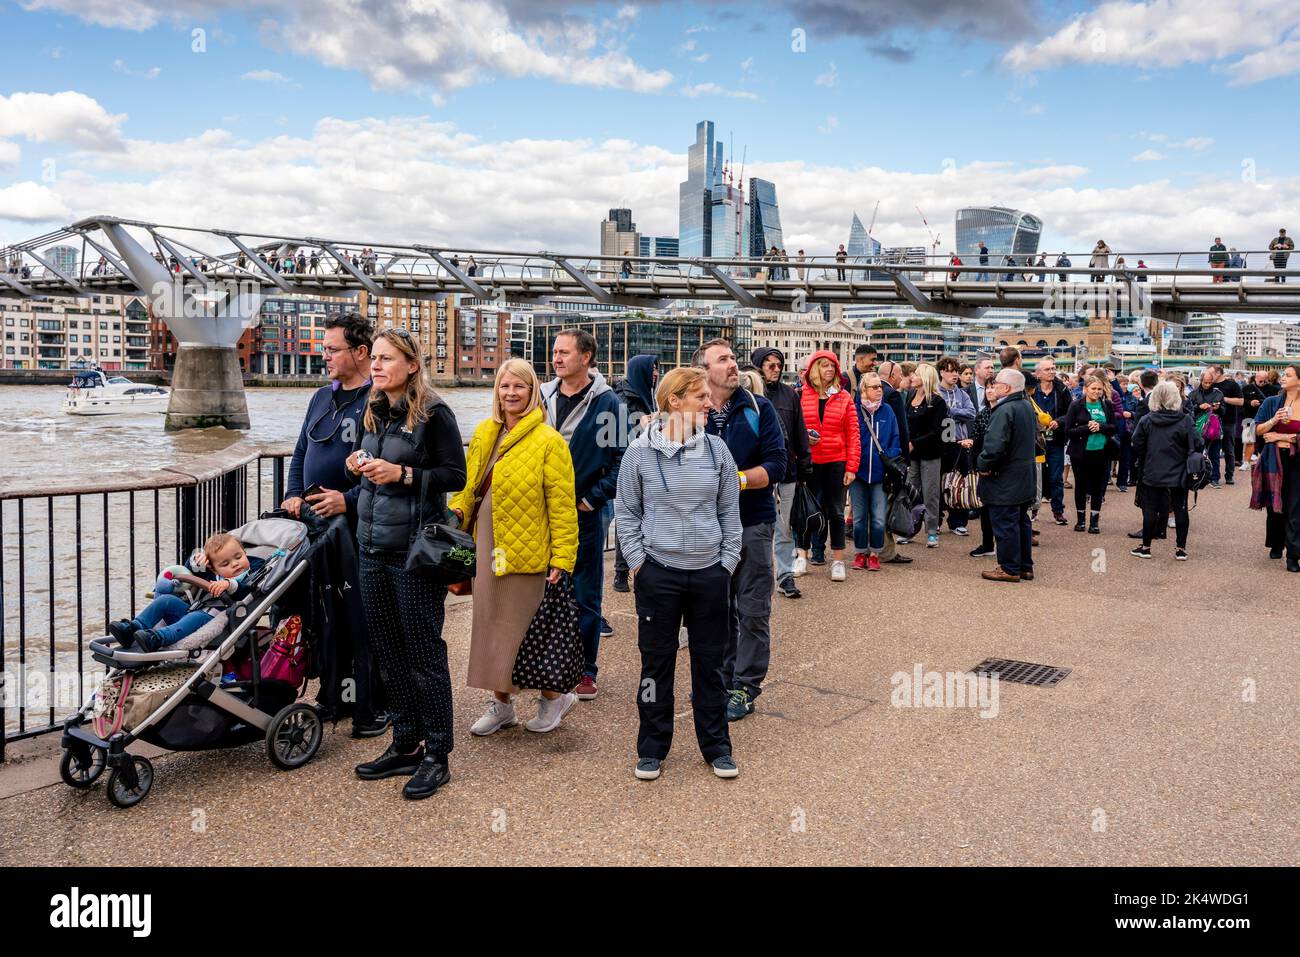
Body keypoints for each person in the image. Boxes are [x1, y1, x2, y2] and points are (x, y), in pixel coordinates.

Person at [347, 328, 467, 800]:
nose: (376, 366)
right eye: (373, 358)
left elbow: (453, 475)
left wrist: (404, 474)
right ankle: (405, 742)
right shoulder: (373, 409)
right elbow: (374, 470)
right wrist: (359, 463)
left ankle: (438, 754)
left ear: (412, 365)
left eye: (386, 359)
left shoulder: (435, 414)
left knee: (423, 654)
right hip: (372, 546)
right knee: (388, 652)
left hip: (414, 552)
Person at [616, 367, 742, 781]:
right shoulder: (638, 453)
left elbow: (729, 513)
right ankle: (652, 748)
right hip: (659, 573)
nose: (710, 403)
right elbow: (627, 512)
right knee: (655, 664)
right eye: (701, 397)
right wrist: (638, 563)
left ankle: (717, 746)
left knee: (710, 664)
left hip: (709, 573)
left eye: (709, 396)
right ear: (675, 402)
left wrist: (726, 563)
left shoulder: (718, 451)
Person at [449, 359, 580, 738]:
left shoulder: (549, 441)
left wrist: (562, 557)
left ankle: (554, 697)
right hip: (488, 546)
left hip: (527, 549)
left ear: (533, 391)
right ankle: (502, 705)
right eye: (505, 386)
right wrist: (455, 511)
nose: (510, 393)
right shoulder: (484, 433)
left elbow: (562, 504)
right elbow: (469, 487)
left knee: (529, 631)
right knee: (490, 628)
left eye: (519, 387)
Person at [281, 312, 387, 736]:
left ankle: (370, 705)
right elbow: (301, 450)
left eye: (331, 349)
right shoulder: (320, 398)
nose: (323, 356)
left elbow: (388, 468)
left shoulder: (378, 401)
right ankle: (332, 696)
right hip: (314, 528)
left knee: (359, 617)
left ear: (360, 352)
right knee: (322, 615)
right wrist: (291, 495)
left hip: (357, 532)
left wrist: (347, 500)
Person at [694, 340, 785, 722]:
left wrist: (737, 480)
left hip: (753, 523)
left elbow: (777, 465)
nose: (733, 364)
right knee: (716, 609)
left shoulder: (757, 408)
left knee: (752, 609)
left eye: (733, 357)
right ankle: (722, 677)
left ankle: (745, 687)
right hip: (704, 528)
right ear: (704, 370)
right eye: (723, 360)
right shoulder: (688, 412)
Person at [540, 329, 626, 701]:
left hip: (582, 514)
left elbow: (622, 462)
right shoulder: (542, 398)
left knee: (585, 592)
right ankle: (545, 664)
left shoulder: (610, 405)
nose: (556, 358)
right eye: (555, 352)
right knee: (542, 590)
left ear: (586, 356)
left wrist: (591, 500)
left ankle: (585, 670)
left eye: (564, 352)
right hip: (541, 513)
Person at [108, 532, 266, 651]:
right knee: (165, 600)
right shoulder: (211, 572)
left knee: (194, 617)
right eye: (225, 563)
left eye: (238, 556)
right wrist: (196, 562)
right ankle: (133, 628)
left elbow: (249, 589)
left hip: (214, 617)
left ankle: (157, 638)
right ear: (213, 567)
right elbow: (189, 572)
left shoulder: (255, 568)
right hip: (194, 608)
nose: (235, 564)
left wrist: (228, 584)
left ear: (244, 551)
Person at [752, 346, 813, 598]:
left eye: (779, 365)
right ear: (759, 367)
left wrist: (805, 466)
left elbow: (800, 431)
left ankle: (785, 575)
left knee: (785, 527)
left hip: (786, 471)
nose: (776, 369)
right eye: (770, 365)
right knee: (757, 528)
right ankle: (756, 576)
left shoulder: (790, 395)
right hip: (757, 474)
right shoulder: (749, 394)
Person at [797, 350, 859, 577]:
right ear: (814, 368)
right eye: (824, 365)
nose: (830, 369)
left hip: (836, 462)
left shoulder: (844, 398)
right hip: (810, 462)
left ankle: (839, 561)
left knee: (836, 512)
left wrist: (852, 467)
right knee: (805, 511)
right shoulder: (800, 395)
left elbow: (853, 434)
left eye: (832, 365)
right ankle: (802, 556)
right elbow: (794, 431)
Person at [976, 370, 1038, 582]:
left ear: (1008, 388)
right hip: (1022, 475)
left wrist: (983, 465)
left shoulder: (1005, 410)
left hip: (1005, 478)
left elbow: (994, 447)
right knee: (1021, 521)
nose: (994, 387)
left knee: (1005, 524)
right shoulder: (1026, 406)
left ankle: (1009, 568)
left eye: (998, 384)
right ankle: (1024, 566)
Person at [1130, 381, 1201, 561]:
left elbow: (1136, 443)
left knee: (1151, 510)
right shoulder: (1185, 419)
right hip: (1179, 471)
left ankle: (1146, 547)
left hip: (1153, 470)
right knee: (1180, 509)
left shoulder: (1147, 419)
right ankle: (1180, 549)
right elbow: (1198, 443)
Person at [611, 355, 659, 593]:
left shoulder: (648, 394)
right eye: (652, 369)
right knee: (626, 520)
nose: (656, 374)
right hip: (624, 468)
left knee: (639, 518)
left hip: (646, 466)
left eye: (658, 369)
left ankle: (637, 569)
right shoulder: (623, 397)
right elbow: (616, 433)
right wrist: (641, 424)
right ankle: (621, 573)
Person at [1251, 364, 1300, 571]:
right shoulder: (1272, 402)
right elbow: (1259, 429)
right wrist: (1274, 420)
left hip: (1297, 459)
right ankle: (1276, 543)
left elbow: (1276, 436)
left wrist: (1283, 436)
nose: (1283, 378)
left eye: (1288, 375)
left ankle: (1293, 555)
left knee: (1295, 506)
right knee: (1275, 504)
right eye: (1283, 375)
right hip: (1274, 458)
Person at [850, 374, 899, 571]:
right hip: (858, 472)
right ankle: (860, 552)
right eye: (874, 387)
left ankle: (875, 553)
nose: (879, 390)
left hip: (881, 473)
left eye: (880, 387)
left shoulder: (887, 411)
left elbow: (895, 438)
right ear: (864, 390)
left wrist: (891, 458)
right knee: (860, 517)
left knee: (878, 518)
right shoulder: (855, 411)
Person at [1063, 374, 1117, 533]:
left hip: (1101, 451)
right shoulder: (1076, 405)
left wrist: (1100, 427)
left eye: (1100, 389)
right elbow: (1068, 431)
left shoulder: (1107, 404)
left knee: (1098, 487)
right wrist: (1086, 428)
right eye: (1093, 388)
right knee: (1080, 485)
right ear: (1085, 389)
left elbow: (1114, 427)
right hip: (1080, 452)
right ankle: (1080, 521)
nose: (1097, 392)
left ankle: (1094, 522)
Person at [906, 363, 950, 547]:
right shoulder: (909, 396)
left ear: (925, 378)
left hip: (930, 453)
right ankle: (907, 528)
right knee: (910, 492)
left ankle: (932, 531)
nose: (911, 377)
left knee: (931, 493)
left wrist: (914, 443)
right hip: (911, 454)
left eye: (915, 375)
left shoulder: (937, 401)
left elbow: (937, 430)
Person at [875, 361, 913, 565]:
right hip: (891, 457)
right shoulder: (893, 395)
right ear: (890, 375)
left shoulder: (865, 392)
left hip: (873, 457)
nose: (900, 378)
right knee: (888, 503)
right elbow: (901, 428)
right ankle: (886, 551)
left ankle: (875, 547)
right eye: (898, 374)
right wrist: (905, 460)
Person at [936, 356, 976, 535]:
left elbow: (971, 412)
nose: (954, 375)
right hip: (942, 443)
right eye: (950, 371)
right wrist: (953, 413)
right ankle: (935, 520)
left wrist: (951, 412)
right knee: (938, 482)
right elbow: (938, 414)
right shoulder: (936, 393)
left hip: (960, 443)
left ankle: (958, 521)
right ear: (941, 372)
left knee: (961, 482)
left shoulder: (962, 394)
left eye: (956, 371)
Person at [1030, 357, 1072, 525]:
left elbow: (1070, 412)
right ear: (1038, 373)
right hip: (1036, 441)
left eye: (1053, 368)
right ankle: (1033, 510)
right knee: (1036, 476)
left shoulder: (1062, 390)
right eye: (1047, 369)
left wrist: (1059, 422)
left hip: (1055, 439)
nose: (1052, 371)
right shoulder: (1032, 391)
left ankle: (1058, 510)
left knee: (1056, 476)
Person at [1188, 370, 1225, 487]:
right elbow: (1189, 411)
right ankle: (1198, 477)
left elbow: (1224, 411)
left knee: (1214, 454)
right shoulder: (1193, 394)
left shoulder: (1218, 393)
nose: (1208, 385)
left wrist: (1218, 408)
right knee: (1197, 454)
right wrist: (1199, 407)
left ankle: (1215, 478)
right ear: (1201, 381)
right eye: (1205, 382)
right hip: (1198, 428)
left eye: (1210, 382)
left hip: (1214, 427)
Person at [1210, 365, 1242, 482]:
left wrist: (1223, 399)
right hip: (1212, 422)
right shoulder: (1210, 385)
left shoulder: (1232, 385)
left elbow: (1240, 401)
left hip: (1228, 421)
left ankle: (1229, 475)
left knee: (1228, 450)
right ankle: (1214, 475)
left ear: (1218, 373)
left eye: (1211, 373)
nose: (1208, 375)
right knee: (1212, 450)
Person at [1242, 371, 1267, 468]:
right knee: (1248, 440)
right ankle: (1246, 462)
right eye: (1261, 380)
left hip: (1265, 419)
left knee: (1265, 442)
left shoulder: (1272, 389)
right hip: (1249, 417)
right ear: (1255, 378)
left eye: (1265, 381)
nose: (1262, 383)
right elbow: (1242, 401)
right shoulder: (1246, 388)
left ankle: (1264, 462)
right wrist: (1250, 403)